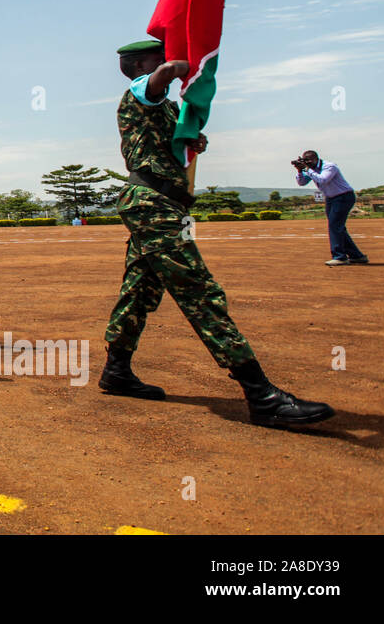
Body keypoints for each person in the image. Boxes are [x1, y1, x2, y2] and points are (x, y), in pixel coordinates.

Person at [102, 40, 334, 428]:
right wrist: (188, 61)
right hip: (153, 204)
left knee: (139, 291)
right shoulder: (141, 88)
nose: (165, 59)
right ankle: (261, 394)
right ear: (140, 63)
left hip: (161, 202)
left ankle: (117, 370)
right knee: (198, 291)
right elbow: (162, 75)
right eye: (158, 55)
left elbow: (169, 137)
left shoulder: (162, 106)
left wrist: (189, 141)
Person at [292, 150, 368, 266]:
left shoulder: (329, 166)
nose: (308, 162)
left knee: (334, 225)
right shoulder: (310, 169)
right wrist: (300, 171)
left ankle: (340, 257)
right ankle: (356, 256)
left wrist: (307, 169)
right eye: (305, 160)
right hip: (331, 198)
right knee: (338, 227)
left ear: (316, 158)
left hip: (344, 196)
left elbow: (323, 179)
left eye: (309, 160)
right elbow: (301, 183)